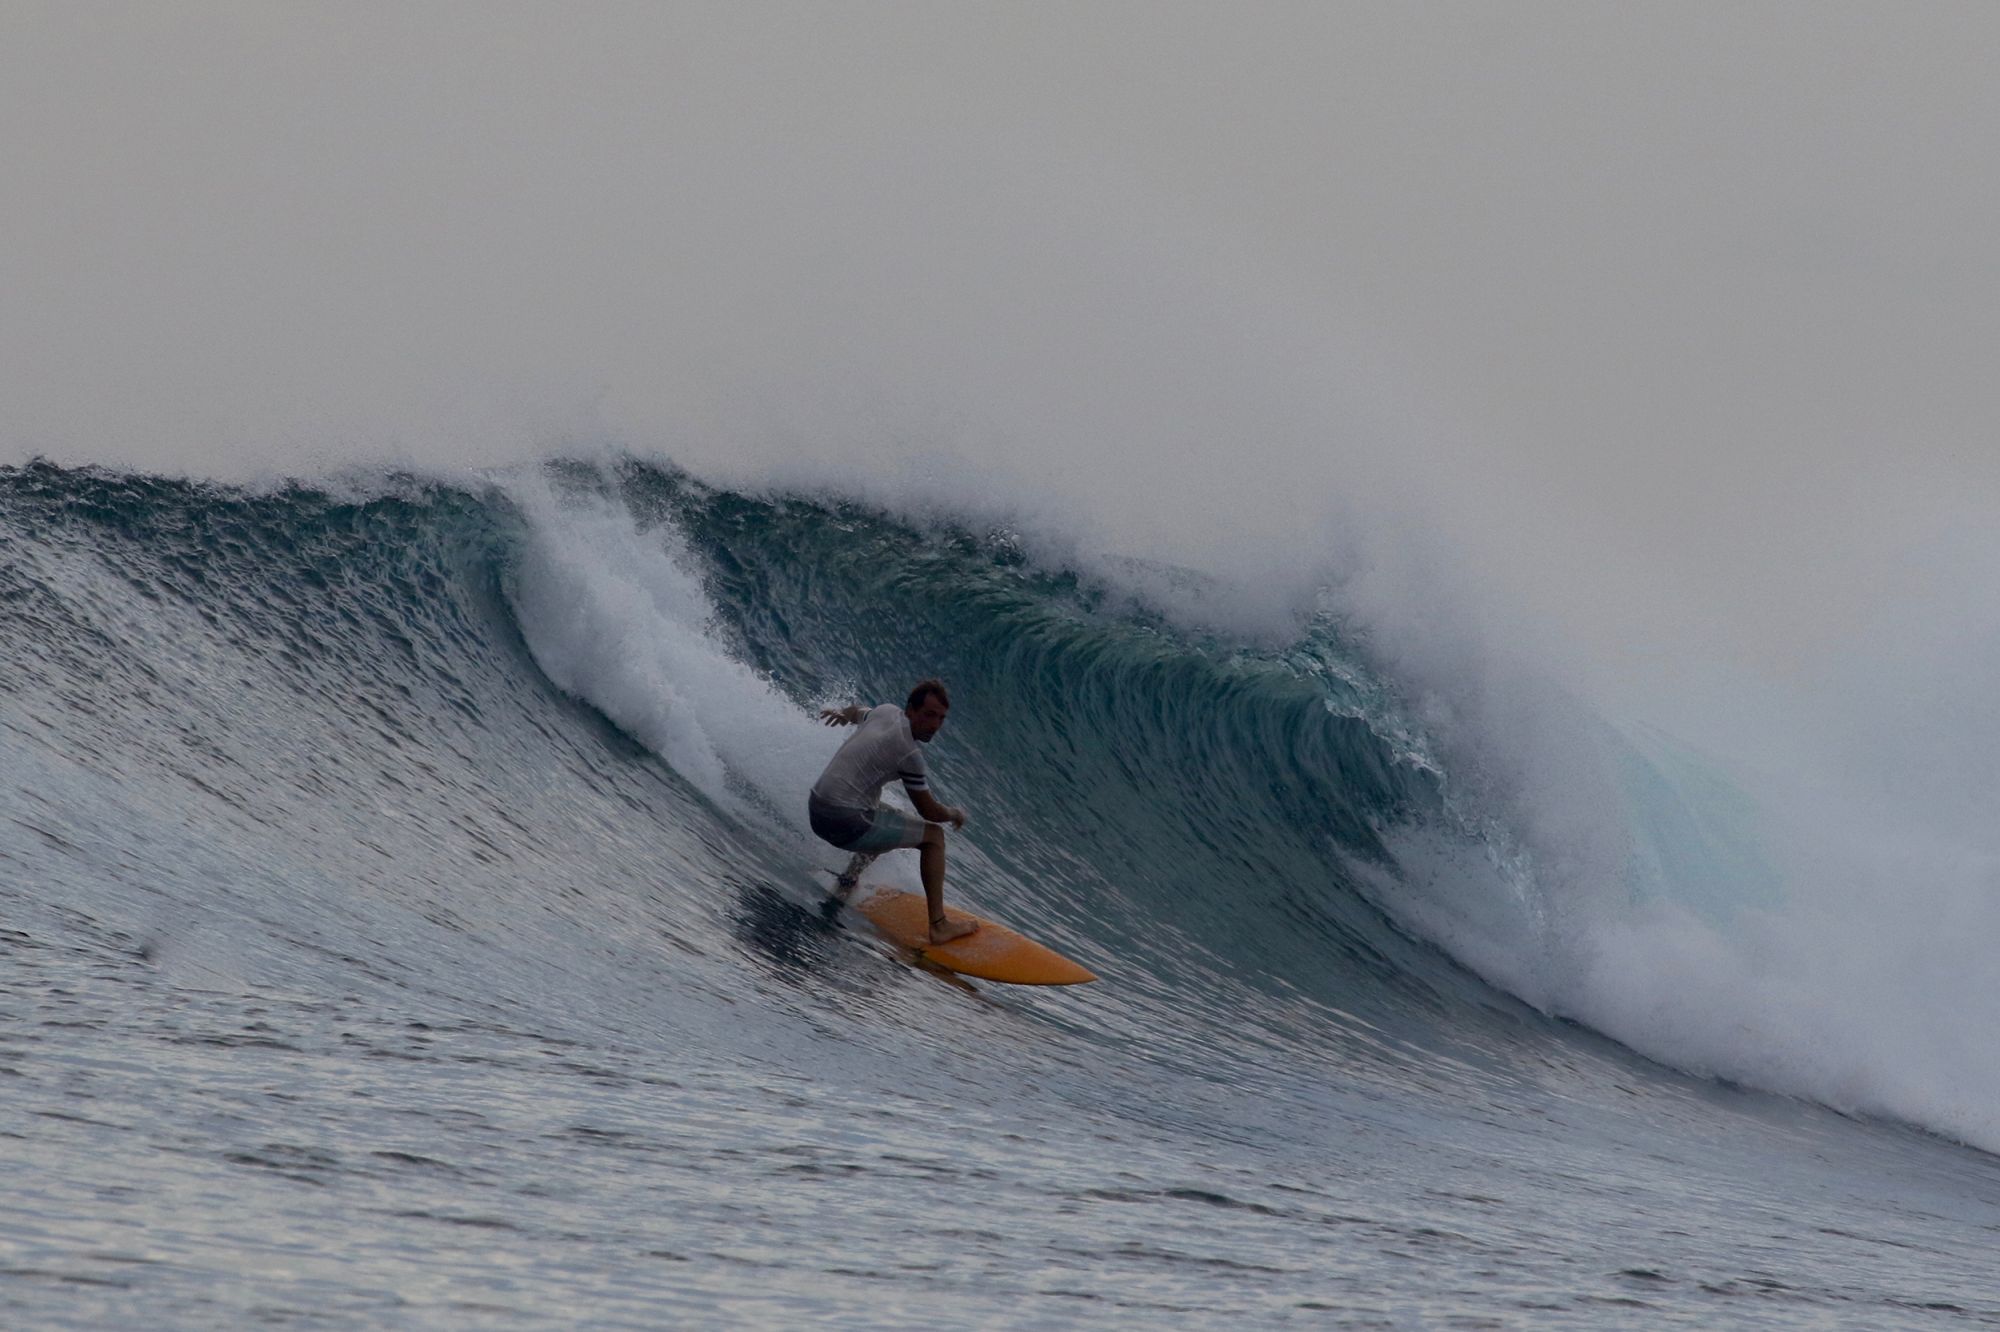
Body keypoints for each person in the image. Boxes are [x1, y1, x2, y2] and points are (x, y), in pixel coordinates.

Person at [808, 679, 976, 944]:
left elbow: (856, 712)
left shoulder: (885, 711)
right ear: (911, 710)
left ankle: (848, 881)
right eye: (929, 715)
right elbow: (930, 811)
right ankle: (939, 926)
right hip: (842, 822)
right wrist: (954, 813)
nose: (935, 725)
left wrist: (842, 713)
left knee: (887, 819)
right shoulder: (908, 753)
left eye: (941, 719)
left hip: (816, 807)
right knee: (934, 838)